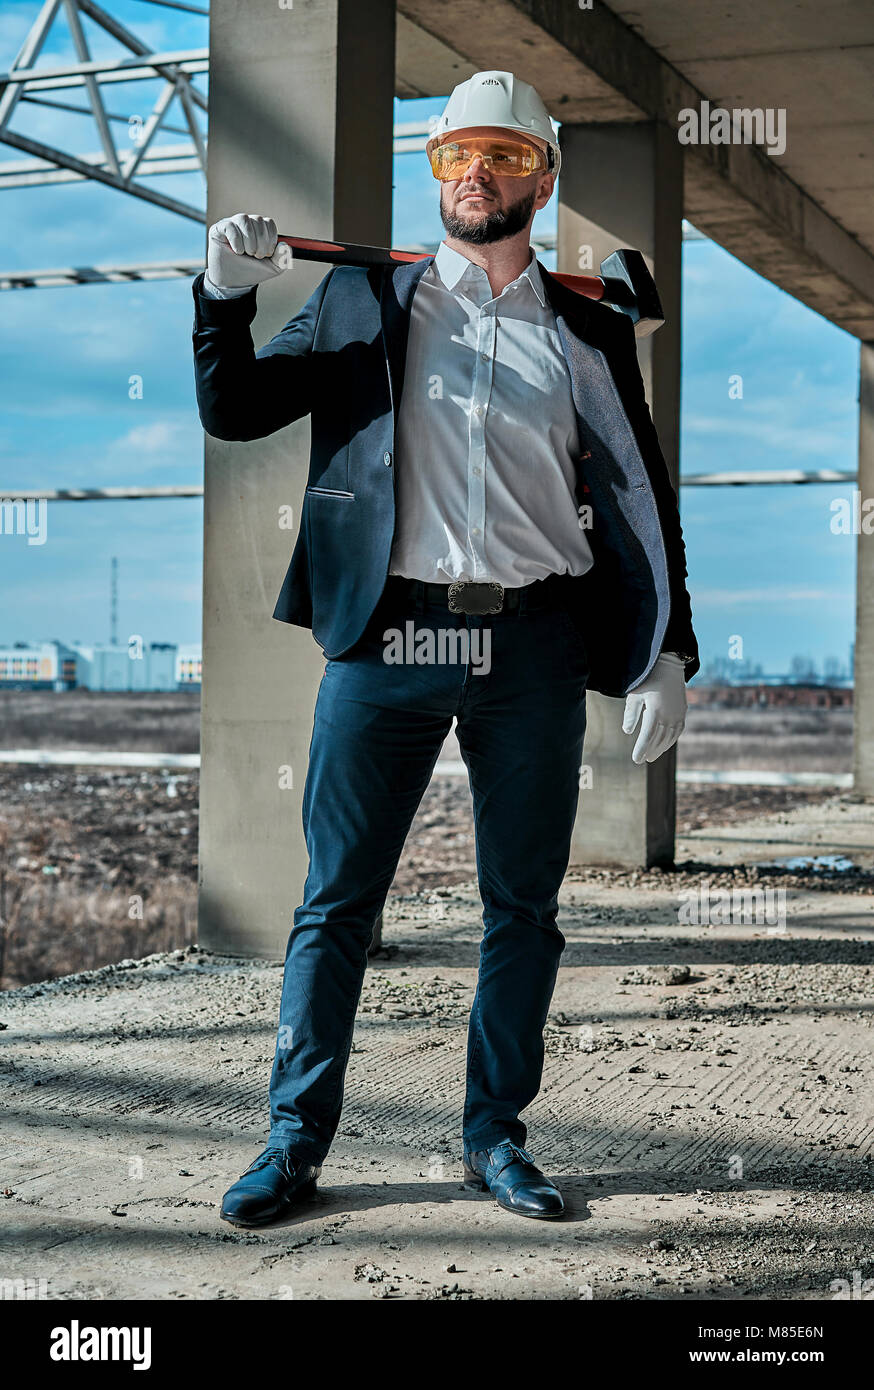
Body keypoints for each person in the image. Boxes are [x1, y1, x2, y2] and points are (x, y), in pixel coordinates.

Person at [191, 70, 698, 1226]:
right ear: (435, 168)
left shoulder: (587, 326)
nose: (478, 173)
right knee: (336, 905)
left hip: (532, 646)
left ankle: (494, 1139)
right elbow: (236, 409)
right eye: (458, 153)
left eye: (506, 156)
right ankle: (292, 1140)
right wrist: (222, 297)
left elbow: (642, 499)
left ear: (543, 177)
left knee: (521, 907)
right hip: (386, 637)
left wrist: (672, 647)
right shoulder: (368, 305)